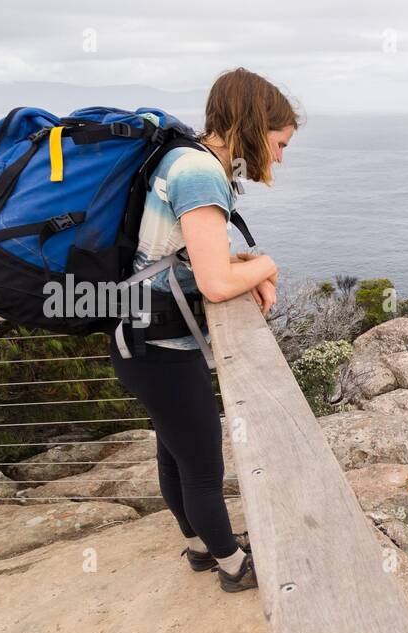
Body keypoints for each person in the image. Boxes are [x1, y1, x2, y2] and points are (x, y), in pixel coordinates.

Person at [109, 68, 298, 592]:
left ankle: (198, 545)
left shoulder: (181, 156)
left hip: (140, 340)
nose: (280, 156)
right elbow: (215, 284)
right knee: (202, 466)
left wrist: (243, 260)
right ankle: (232, 565)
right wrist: (266, 265)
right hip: (161, 347)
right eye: (279, 143)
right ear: (256, 125)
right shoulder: (200, 173)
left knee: (175, 451)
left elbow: (183, 257)